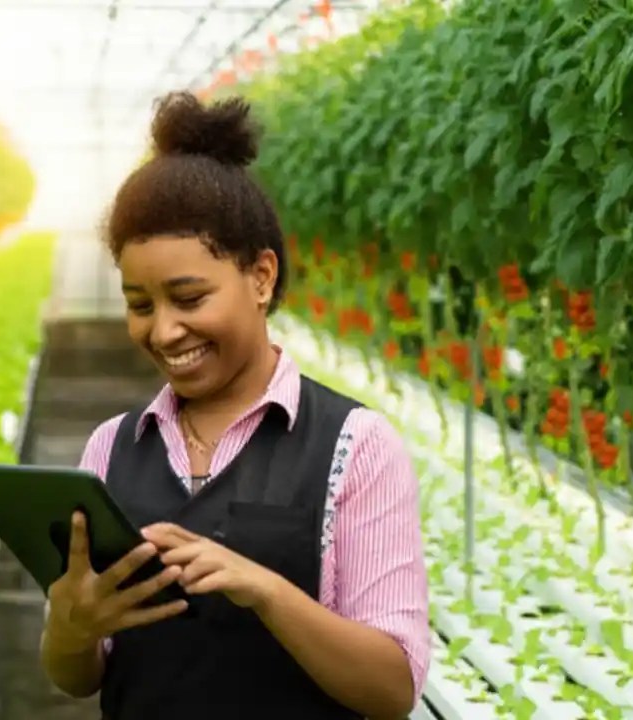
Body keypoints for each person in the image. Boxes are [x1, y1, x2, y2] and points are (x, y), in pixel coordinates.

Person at [38, 91, 430, 720]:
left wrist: (266, 590)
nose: (164, 331)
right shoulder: (111, 448)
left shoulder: (355, 447)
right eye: (141, 305)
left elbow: (391, 690)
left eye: (189, 299)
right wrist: (71, 627)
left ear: (261, 278)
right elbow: (78, 677)